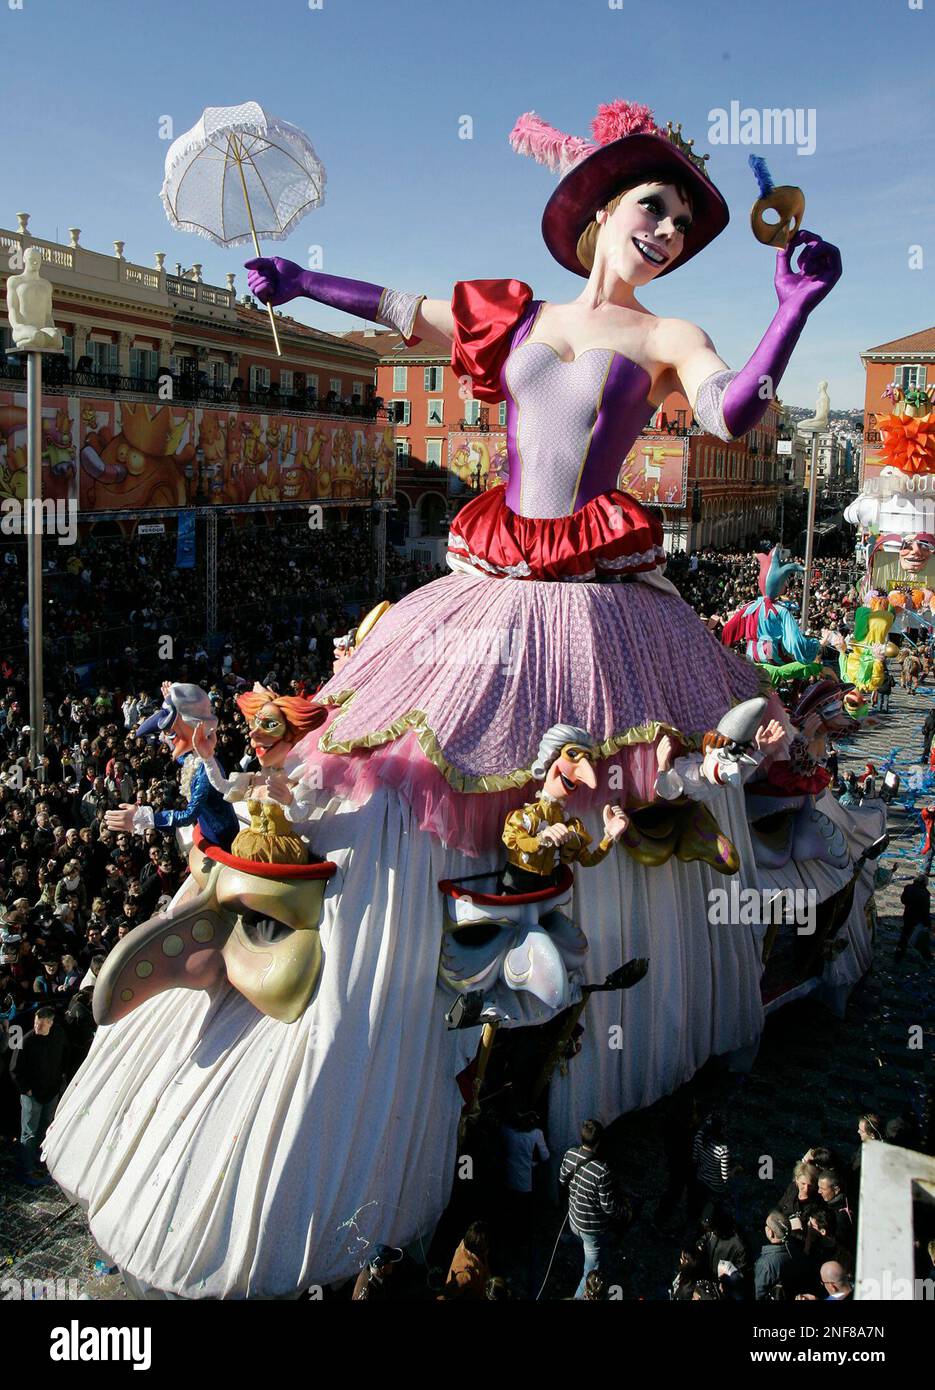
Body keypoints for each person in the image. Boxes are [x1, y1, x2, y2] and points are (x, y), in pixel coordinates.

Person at [559, 1118, 623, 1298]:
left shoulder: (570, 1154)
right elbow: (608, 1207)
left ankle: (573, 1240)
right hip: (591, 1228)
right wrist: (623, 1212)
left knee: (581, 1239)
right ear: (599, 1142)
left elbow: (562, 1179)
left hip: (573, 1219)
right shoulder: (601, 1170)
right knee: (590, 1273)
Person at [9, 1004, 66, 1185]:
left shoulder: (58, 1036)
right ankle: (25, 1170)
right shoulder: (26, 1041)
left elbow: (65, 1056)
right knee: (29, 1133)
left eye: (41, 1025)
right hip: (32, 1095)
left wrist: (59, 1081)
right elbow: (15, 1069)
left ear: (50, 1023)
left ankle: (40, 1163)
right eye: (35, 1023)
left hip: (50, 1092)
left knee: (45, 1129)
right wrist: (26, 1089)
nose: (37, 1027)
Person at [437, 1221, 490, 1300]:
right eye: (486, 1246)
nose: (488, 1249)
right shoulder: (465, 1274)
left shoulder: (469, 1244)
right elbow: (446, 1295)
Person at [754, 1210, 794, 1300]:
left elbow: (759, 1295)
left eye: (766, 1226)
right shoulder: (794, 1251)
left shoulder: (765, 1264)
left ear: (770, 1232)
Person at [897, 875, 932, 963]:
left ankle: (900, 953)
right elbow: (925, 910)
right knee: (919, 936)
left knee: (905, 933)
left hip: (907, 914)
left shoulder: (908, 887)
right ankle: (925, 955)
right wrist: (928, 923)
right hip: (918, 918)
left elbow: (903, 900)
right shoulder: (925, 893)